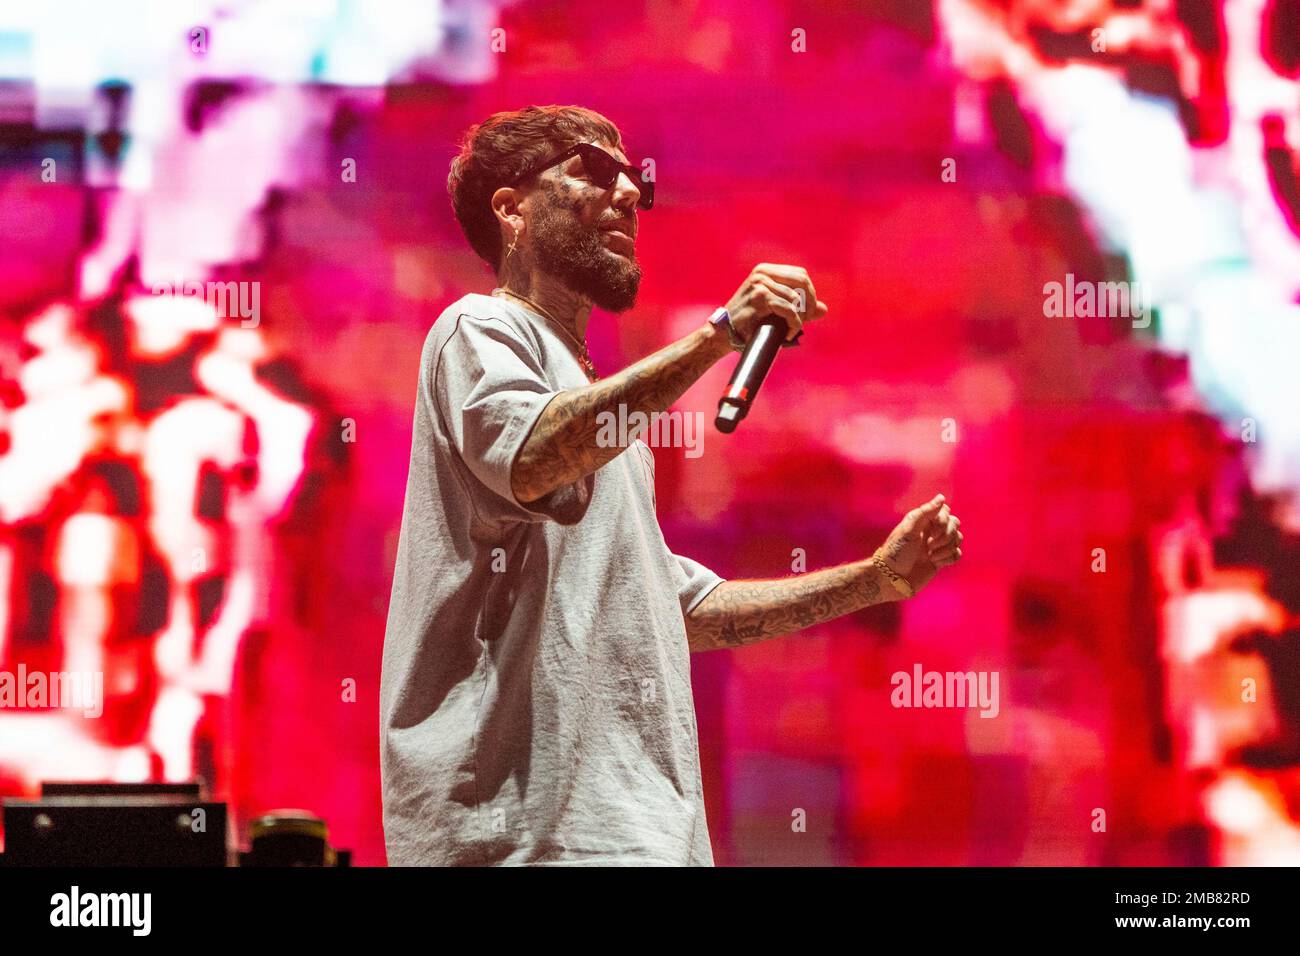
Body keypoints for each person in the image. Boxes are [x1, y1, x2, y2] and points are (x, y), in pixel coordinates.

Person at [379, 104, 964, 865]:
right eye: (592, 169)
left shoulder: (610, 431)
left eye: (636, 181)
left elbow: (685, 609)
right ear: (510, 207)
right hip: (522, 839)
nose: (628, 192)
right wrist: (722, 334)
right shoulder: (479, 332)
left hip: (641, 838)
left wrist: (874, 581)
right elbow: (531, 456)